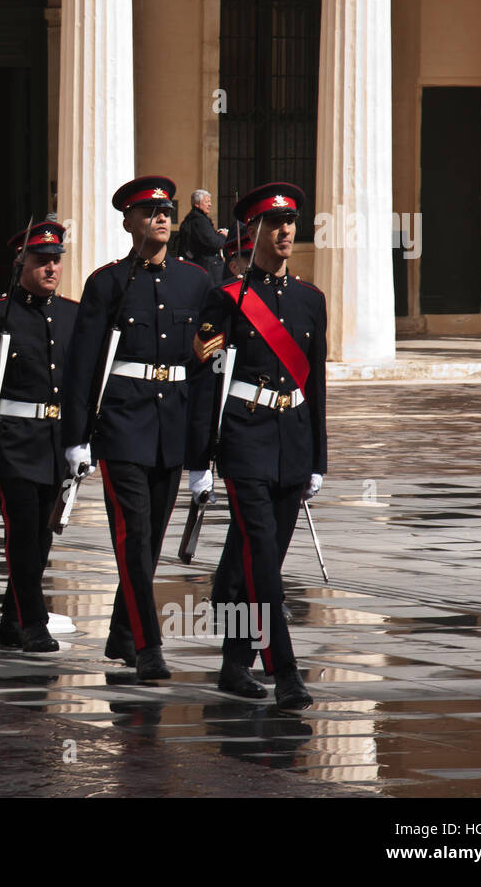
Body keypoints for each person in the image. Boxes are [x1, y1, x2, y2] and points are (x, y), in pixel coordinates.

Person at [60, 176, 211, 680]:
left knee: (150, 542)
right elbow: (84, 366)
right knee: (132, 535)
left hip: (173, 423)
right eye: (149, 212)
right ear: (128, 222)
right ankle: (148, 647)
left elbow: (207, 365)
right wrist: (76, 438)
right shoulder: (107, 283)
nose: (162, 217)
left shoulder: (195, 281)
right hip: (123, 422)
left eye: (167, 210)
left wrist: (203, 447)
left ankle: (122, 635)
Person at [186, 182, 326, 710]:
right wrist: (200, 462)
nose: (286, 231)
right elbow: (205, 382)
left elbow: (317, 387)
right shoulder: (227, 299)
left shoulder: (312, 301)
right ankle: (285, 669)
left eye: (291, 222)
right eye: (275, 224)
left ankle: (233, 661)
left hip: (293, 439)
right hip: (244, 438)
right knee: (263, 558)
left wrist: (319, 458)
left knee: (257, 559)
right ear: (255, 233)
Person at [0, 222, 78, 652]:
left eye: (56, 260)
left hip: (55, 438)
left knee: (44, 533)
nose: (51, 267)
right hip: (12, 438)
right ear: (22, 264)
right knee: (22, 533)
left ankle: (14, 617)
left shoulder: (72, 314)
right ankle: (33, 621)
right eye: (41, 260)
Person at [178, 189, 229, 285]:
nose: (210, 204)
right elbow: (214, 243)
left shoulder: (192, 219)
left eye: (210, 201)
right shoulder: (200, 221)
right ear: (197, 204)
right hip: (208, 267)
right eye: (207, 202)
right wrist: (223, 235)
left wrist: (217, 234)